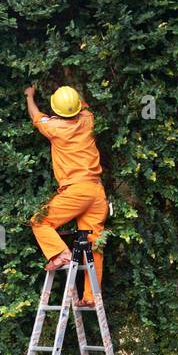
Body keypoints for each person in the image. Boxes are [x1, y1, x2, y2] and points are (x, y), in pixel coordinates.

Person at [24, 84, 107, 305]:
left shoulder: (54, 127)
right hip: (97, 192)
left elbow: (35, 115)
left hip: (77, 190)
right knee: (93, 243)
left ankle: (61, 254)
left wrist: (30, 96)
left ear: (56, 110)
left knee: (39, 222)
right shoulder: (88, 119)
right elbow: (85, 107)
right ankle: (91, 297)